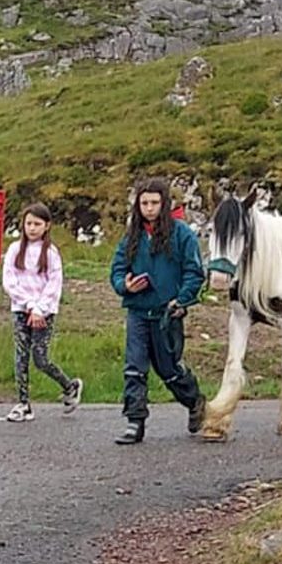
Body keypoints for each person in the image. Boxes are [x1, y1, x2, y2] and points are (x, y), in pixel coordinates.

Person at [108, 178, 206, 444]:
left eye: (153, 203)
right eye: (144, 203)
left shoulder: (182, 234)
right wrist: (124, 285)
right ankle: (134, 422)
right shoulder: (132, 236)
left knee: (169, 369)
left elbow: (194, 272)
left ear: (163, 204)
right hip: (137, 310)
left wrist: (181, 300)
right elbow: (117, 270)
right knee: (134, 367)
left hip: (168, 312)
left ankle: (195, 401)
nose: (148, 208)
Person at [0, 202, 83, 422]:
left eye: (37, 224)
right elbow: (9, 281)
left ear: (46, 226)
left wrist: (39, 309)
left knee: (40, 359)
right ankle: (23, 403)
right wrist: (28, 305)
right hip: (21, 309)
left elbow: (54, 285)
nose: (32, 228)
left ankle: (69, 385)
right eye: (29, 223)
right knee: (21, 356)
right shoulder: (14, 250)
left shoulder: (51, 253)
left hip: (44, 312)